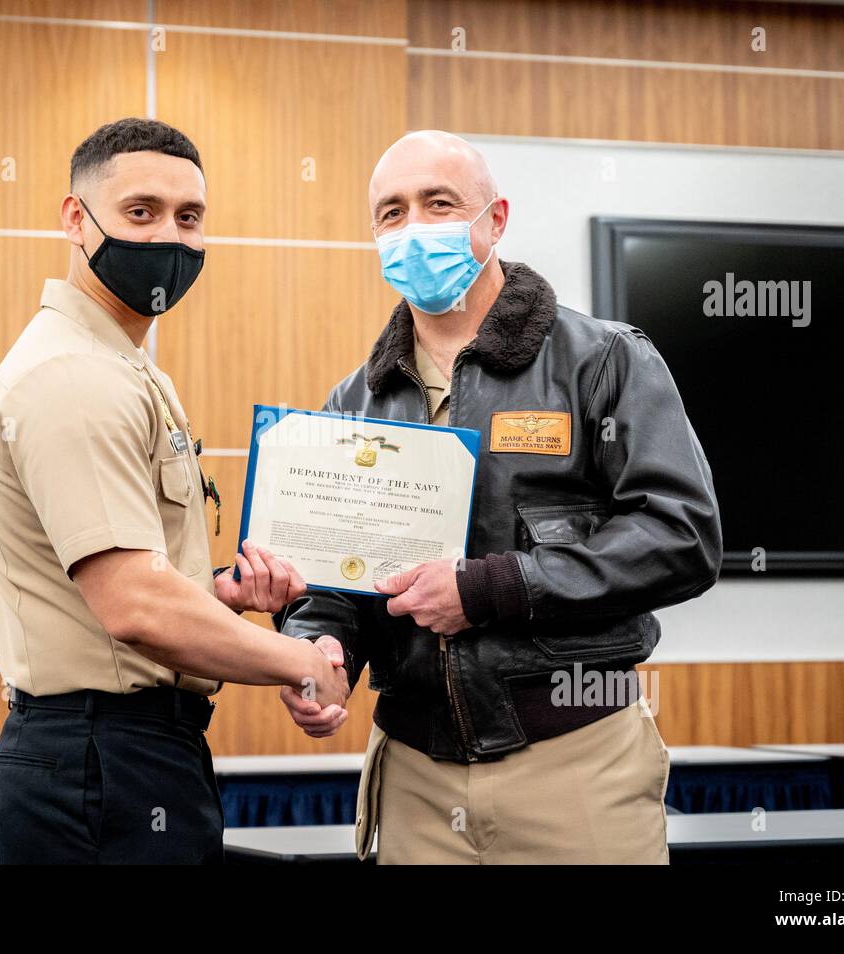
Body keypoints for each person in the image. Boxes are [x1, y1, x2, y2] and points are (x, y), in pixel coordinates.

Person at [276, 130, 722, 864]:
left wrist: (491, 587)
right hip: (414, 774)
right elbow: (337, 580)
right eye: (391, 213)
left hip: (574, 762)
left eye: (438, 203)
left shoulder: (604, 360)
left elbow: (683, 538)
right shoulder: (355, 400)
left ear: (496, 220)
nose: (414, 227)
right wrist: (317, 649)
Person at [0, 118, 346, 864]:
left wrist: (222, 593)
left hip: (134, 755)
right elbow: (133, 606)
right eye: (141, 212)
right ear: (77, 220)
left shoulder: (131, 370)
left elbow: (145, 583)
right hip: (99, 759)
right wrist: (301, 663)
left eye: (189, 217)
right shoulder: (72, 376)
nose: (168, 237)